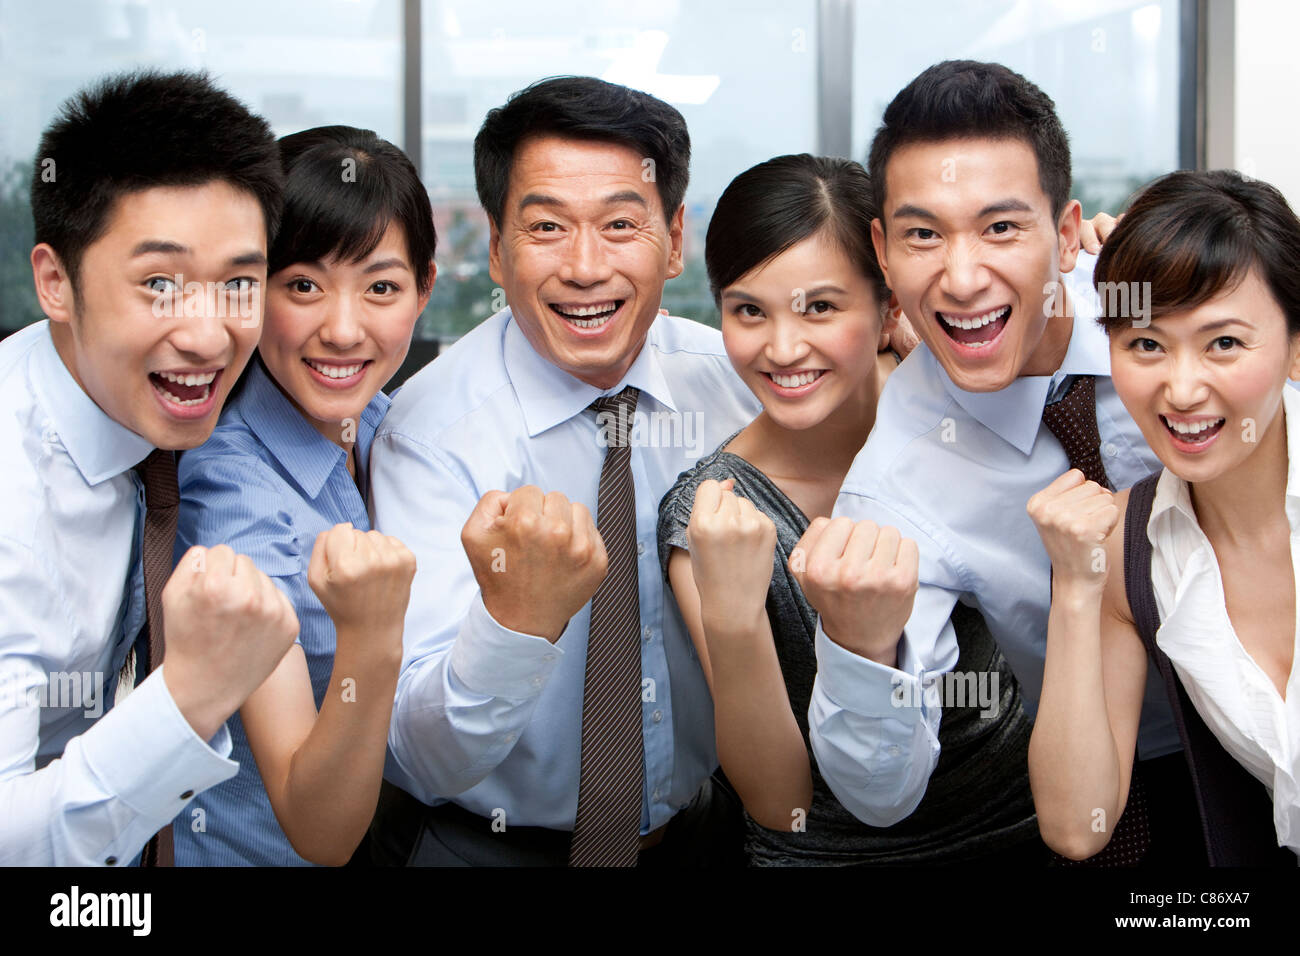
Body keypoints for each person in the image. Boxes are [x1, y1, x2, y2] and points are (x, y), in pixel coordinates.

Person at [799, 59, 1191, 864]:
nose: (964, 276)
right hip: (1115, 792)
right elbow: (881, 796)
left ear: (1068, 230)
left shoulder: (1156, 306)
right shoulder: (897, 478)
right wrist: (860, 649)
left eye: (1002, 227)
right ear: (881, 249)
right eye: (922, 234)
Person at [366, 76, 764, 866]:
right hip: (486, 849)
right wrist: (516, 623)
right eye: (547, 226)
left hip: (706, 841)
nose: (585, 267)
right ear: (497, 244)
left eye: (621, 224)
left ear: (676, 237)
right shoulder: (432, 434)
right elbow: (419, 755)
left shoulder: (737, 384)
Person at [656, 154, 1042, 865]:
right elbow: (780, 804)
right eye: (748, 311)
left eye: (821, 308)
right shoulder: (713, 515)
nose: (782, 347)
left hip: (1037, 833)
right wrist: (734, 615)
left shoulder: (966, 408)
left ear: (891, 303)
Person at [1, 70, 299, 866]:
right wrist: (190, 694)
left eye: (240, 281)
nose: (207, 335)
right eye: (159, 284)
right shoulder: (12, 511)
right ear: (55, 282)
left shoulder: (141, 394)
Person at [171, 126, 432, 866]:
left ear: (425, 291)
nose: (343, 331)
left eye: (381, 287)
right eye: (304, 286)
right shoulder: (227, 489)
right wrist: (371, 637)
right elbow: (317, 830)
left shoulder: (386, 419)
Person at [1028, 169, 1300, 865]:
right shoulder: (1128, 546)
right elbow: (1076, 825)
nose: (1180, 389)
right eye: (1146, 344)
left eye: (1224, 344)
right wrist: (1076, 589)